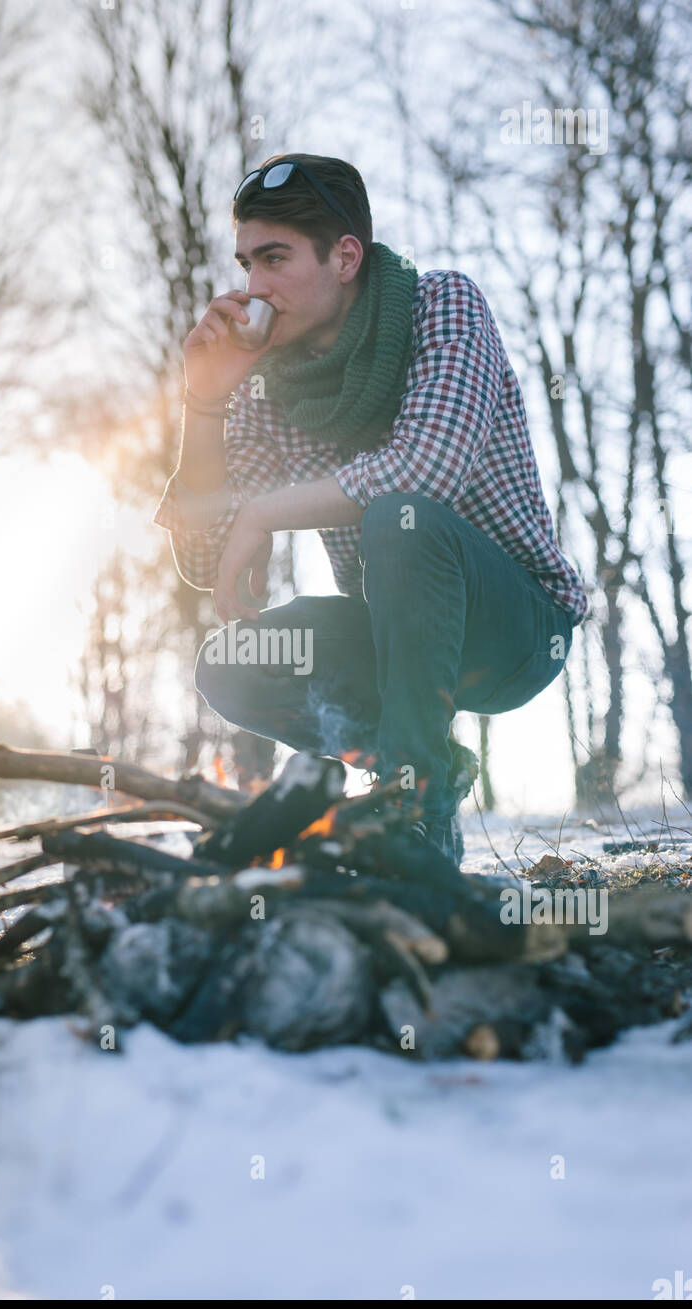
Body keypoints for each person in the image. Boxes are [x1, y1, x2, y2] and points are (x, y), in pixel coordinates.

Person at [153, 153, 588, 866]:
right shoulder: (275, 383)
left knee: (401, 518)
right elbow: (210, 558)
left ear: (345, 256)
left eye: (274, 259)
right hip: (396, 641)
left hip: (515, 628)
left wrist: (263, 514)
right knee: (232, 662)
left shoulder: (443, 305)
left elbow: (425, 468)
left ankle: (411, 812)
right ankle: (415, 781)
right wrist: (204, 404)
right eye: (246, 263)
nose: (253, 287)